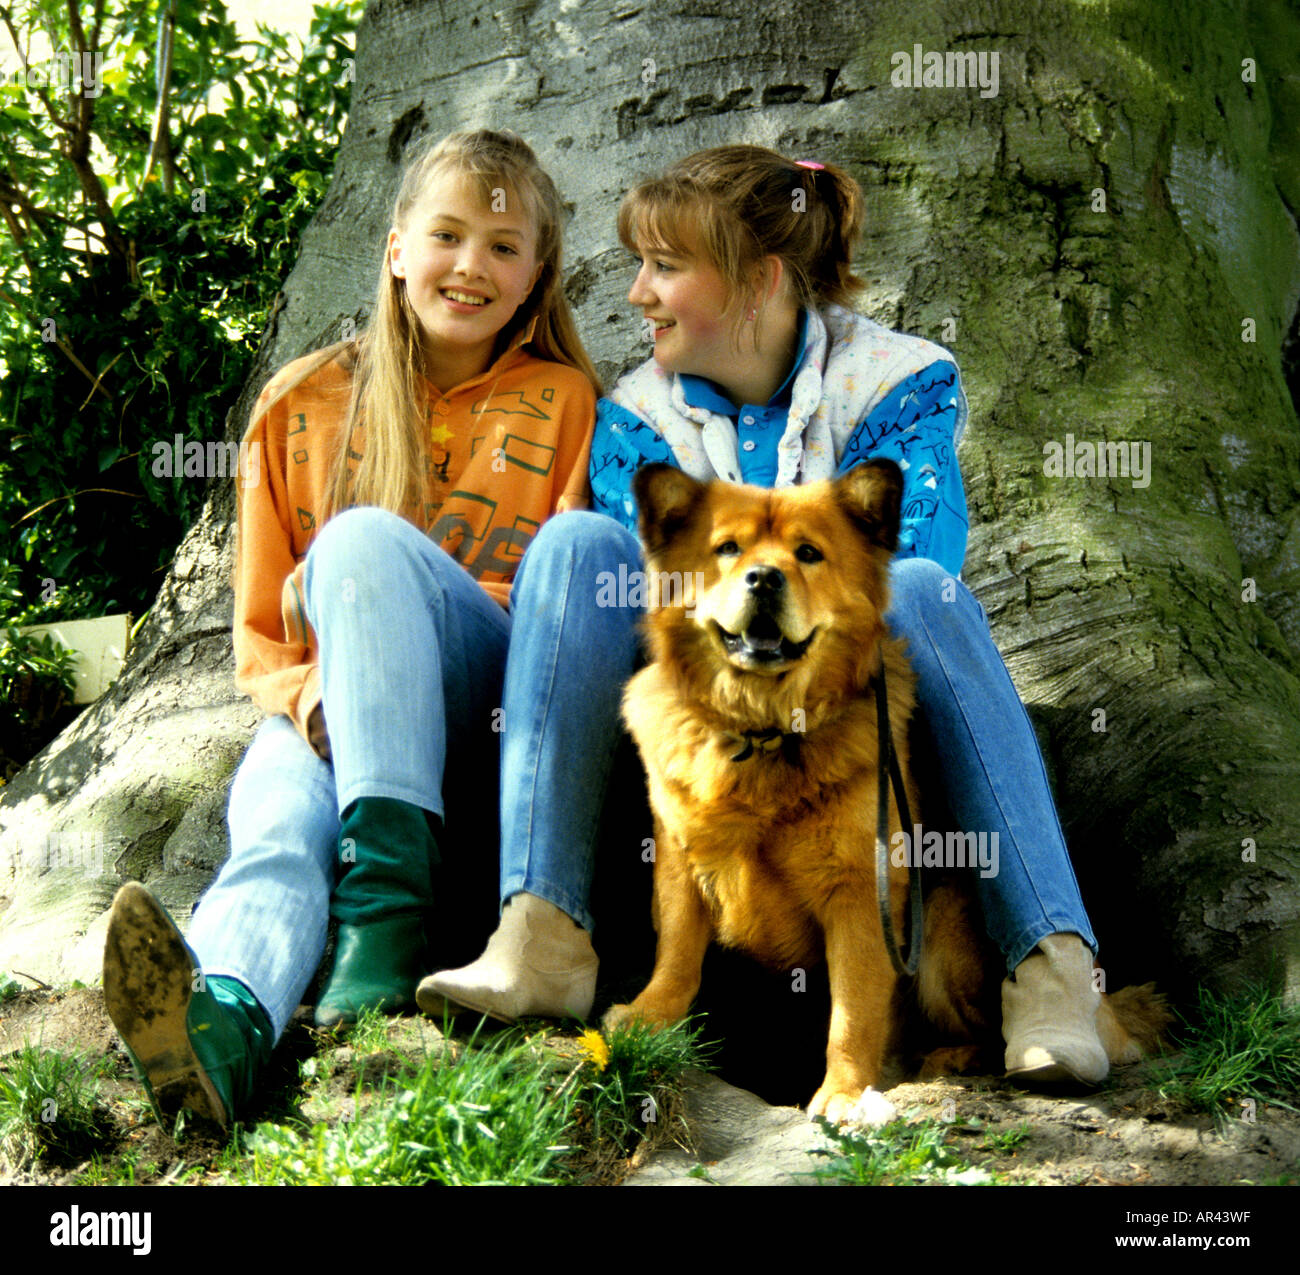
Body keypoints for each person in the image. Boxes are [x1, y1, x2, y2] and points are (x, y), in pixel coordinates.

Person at [434, 144, 1114, 1089]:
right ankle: (542, 928)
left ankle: (1049, 966)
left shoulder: (897, 381)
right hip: (715, 766)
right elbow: (660, 626)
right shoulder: (634, 415)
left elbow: (904, 571)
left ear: (757, 282)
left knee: (919, 584)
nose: (636, 292)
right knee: (574, 549)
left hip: (863, 744)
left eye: (665, 266)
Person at [102, 129, 627, 1128]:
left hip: (490, 745)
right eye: (447, 235)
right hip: (336, 746)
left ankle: (381, 935)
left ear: (535, 280)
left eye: (505, 248)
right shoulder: (300, 407)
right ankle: (223, 1019)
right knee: (275, 794)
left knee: (360, 546)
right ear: (395, 250)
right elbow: (263, 638)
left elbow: (565, 624)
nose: (472, 264)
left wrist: (386, 635)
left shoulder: (570, 407)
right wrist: (320, 705)